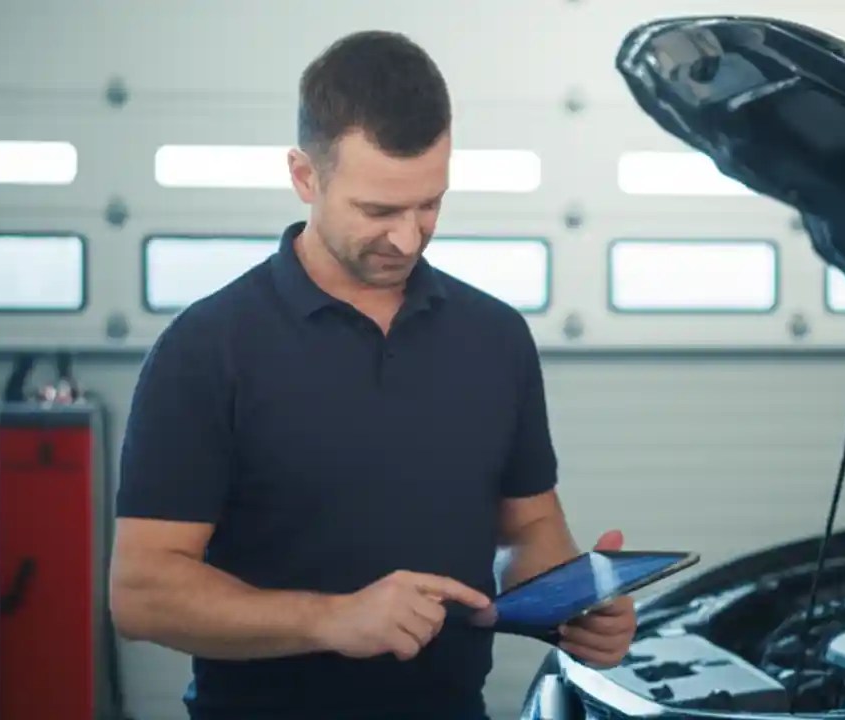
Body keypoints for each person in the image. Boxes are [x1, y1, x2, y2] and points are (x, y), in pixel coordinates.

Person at [108, 29, 637, 720]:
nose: (409, 238)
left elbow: (527, 528)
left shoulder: (496, 338)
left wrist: (571, 604)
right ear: (305, 176)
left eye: (430, 204)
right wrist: (332, 619)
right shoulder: (207, 349)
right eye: (379, 211)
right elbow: (143, 592)